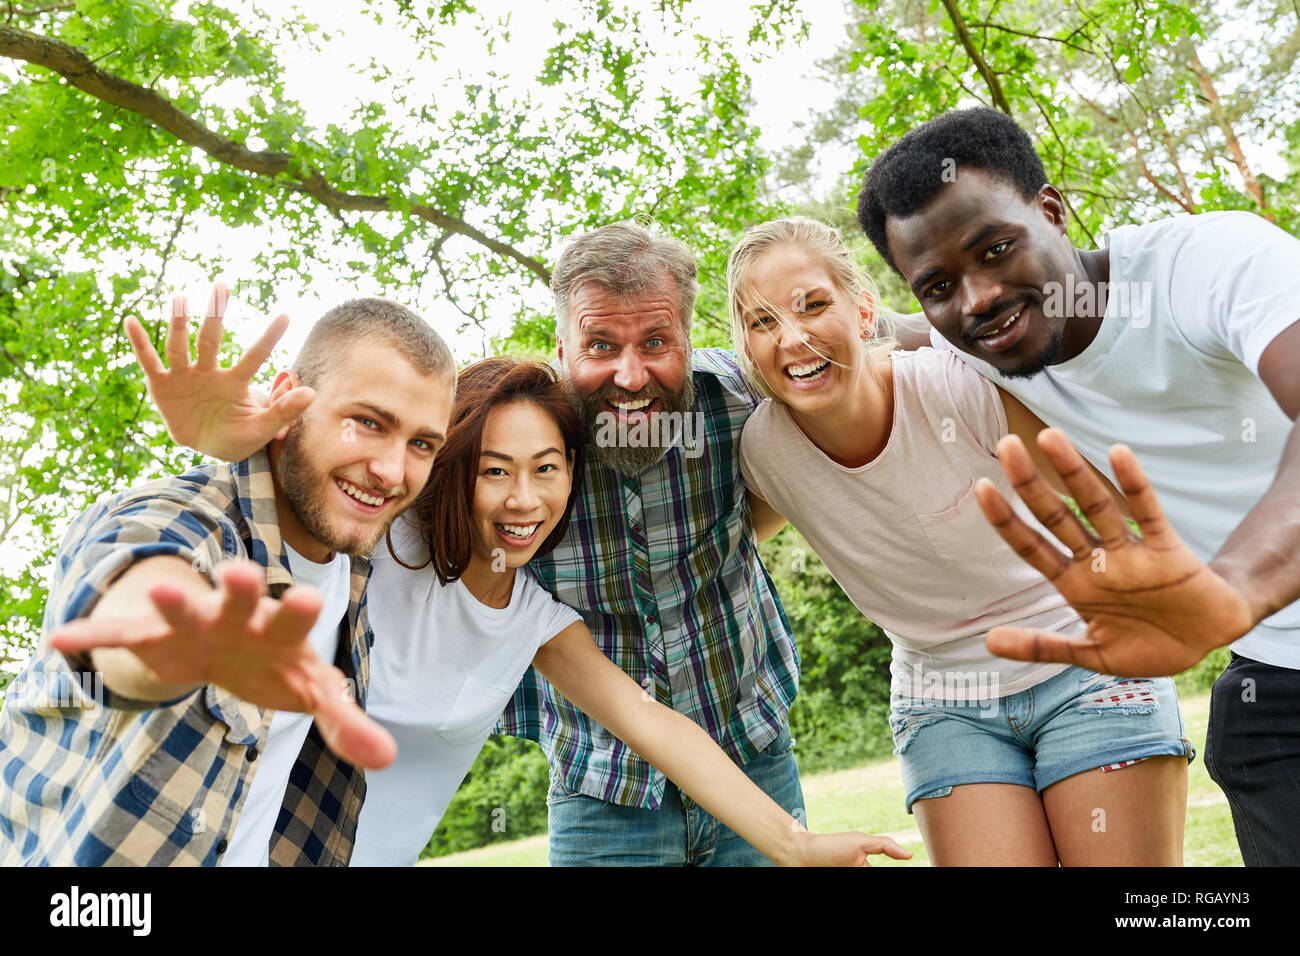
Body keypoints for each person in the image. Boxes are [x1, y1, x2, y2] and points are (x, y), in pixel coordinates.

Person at [124, 312, 910, 867]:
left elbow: (654, 722)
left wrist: (794, 844)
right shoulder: (378, 545)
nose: (523, 500)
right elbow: (289, 504)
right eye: (494, 470)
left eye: (547, 469)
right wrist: (232, 446)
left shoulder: (532, 617)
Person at [858, 106, 1300, 866]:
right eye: (938, 285)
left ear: (1053, 211)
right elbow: (844, 333)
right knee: (1247, 734)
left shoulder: (1209, 263)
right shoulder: (973, 340)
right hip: (1277, 675)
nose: (978, 298)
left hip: (1248, 609)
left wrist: (1234, 586)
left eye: (997, 249)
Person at [728, 216, 1190, 865]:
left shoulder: (954, 387)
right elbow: (720, 549)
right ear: (747, 347)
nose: (793, 337)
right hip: (946, 703)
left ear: (863, 310)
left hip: (1088, 664)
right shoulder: (766, 453)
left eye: (813, 305)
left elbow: (1119, 500)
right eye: (763, 321)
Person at [0, 293, 457, 866]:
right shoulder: (190, 518)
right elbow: (139, 581)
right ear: (288, 402)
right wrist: (174, 644)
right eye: (367, 422)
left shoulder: (357, 558)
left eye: (421, 444)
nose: (391, 471)